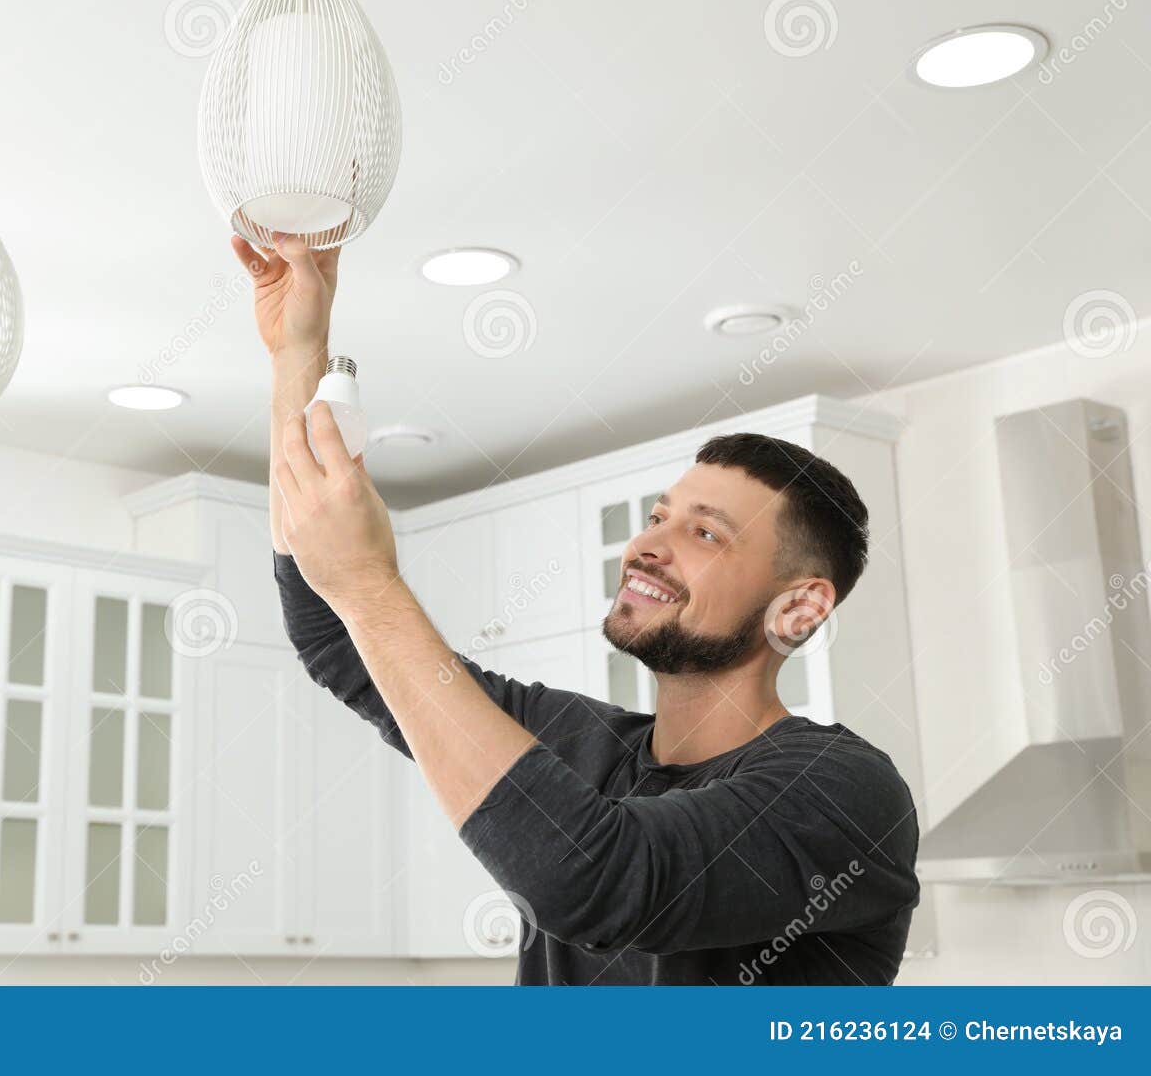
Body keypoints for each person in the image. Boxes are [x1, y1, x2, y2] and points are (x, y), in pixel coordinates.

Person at [236, 231, 920, 985]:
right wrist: (298, 352)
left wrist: (371, 581)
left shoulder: (844, 790)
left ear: (800, 607)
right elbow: (336, 635)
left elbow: (595, 879)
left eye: (703, 532)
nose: (647, 546)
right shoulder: (580, 742)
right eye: (659, 516)